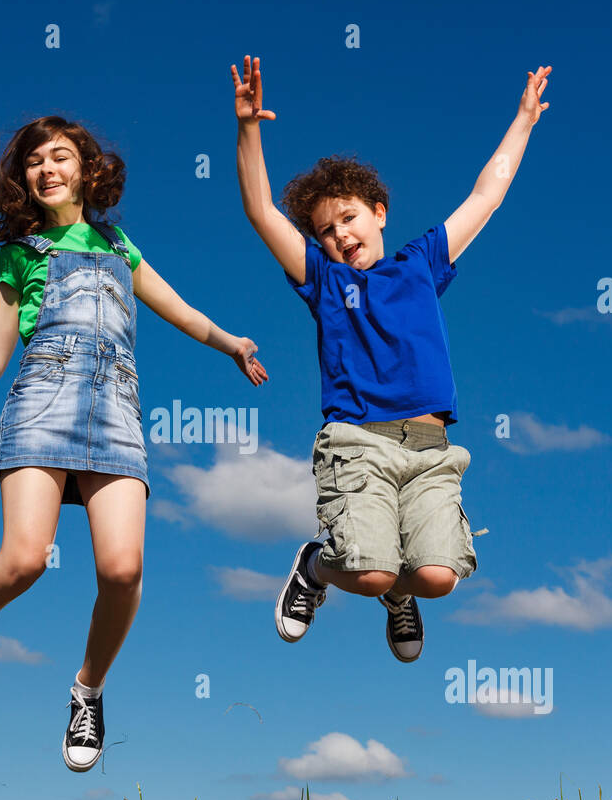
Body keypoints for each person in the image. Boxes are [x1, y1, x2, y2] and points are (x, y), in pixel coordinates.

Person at [0, 115, 268, 771]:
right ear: (25, 180)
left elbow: (176, 306)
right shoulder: (22, 254)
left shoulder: (121, 247)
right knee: (25, 561)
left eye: (60, 155)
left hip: (117, 408)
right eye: (33, 160)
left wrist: (230, 342)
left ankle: (87, 691)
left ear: (89, 169)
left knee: (123, 570)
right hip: (43, 402)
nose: (45, 167)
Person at [230, 55, 551, 662]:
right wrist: (249, 129)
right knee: (372, 572)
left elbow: (489, 193)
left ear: (379, 214)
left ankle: (398, 586)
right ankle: (315, 570)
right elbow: (260, 212)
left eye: (348, 218)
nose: (339, 235)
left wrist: (524, 121)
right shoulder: (324, 280)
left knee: (435, 579)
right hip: (358, 443)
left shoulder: (422, 264)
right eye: (324, 230)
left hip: (430, 447)